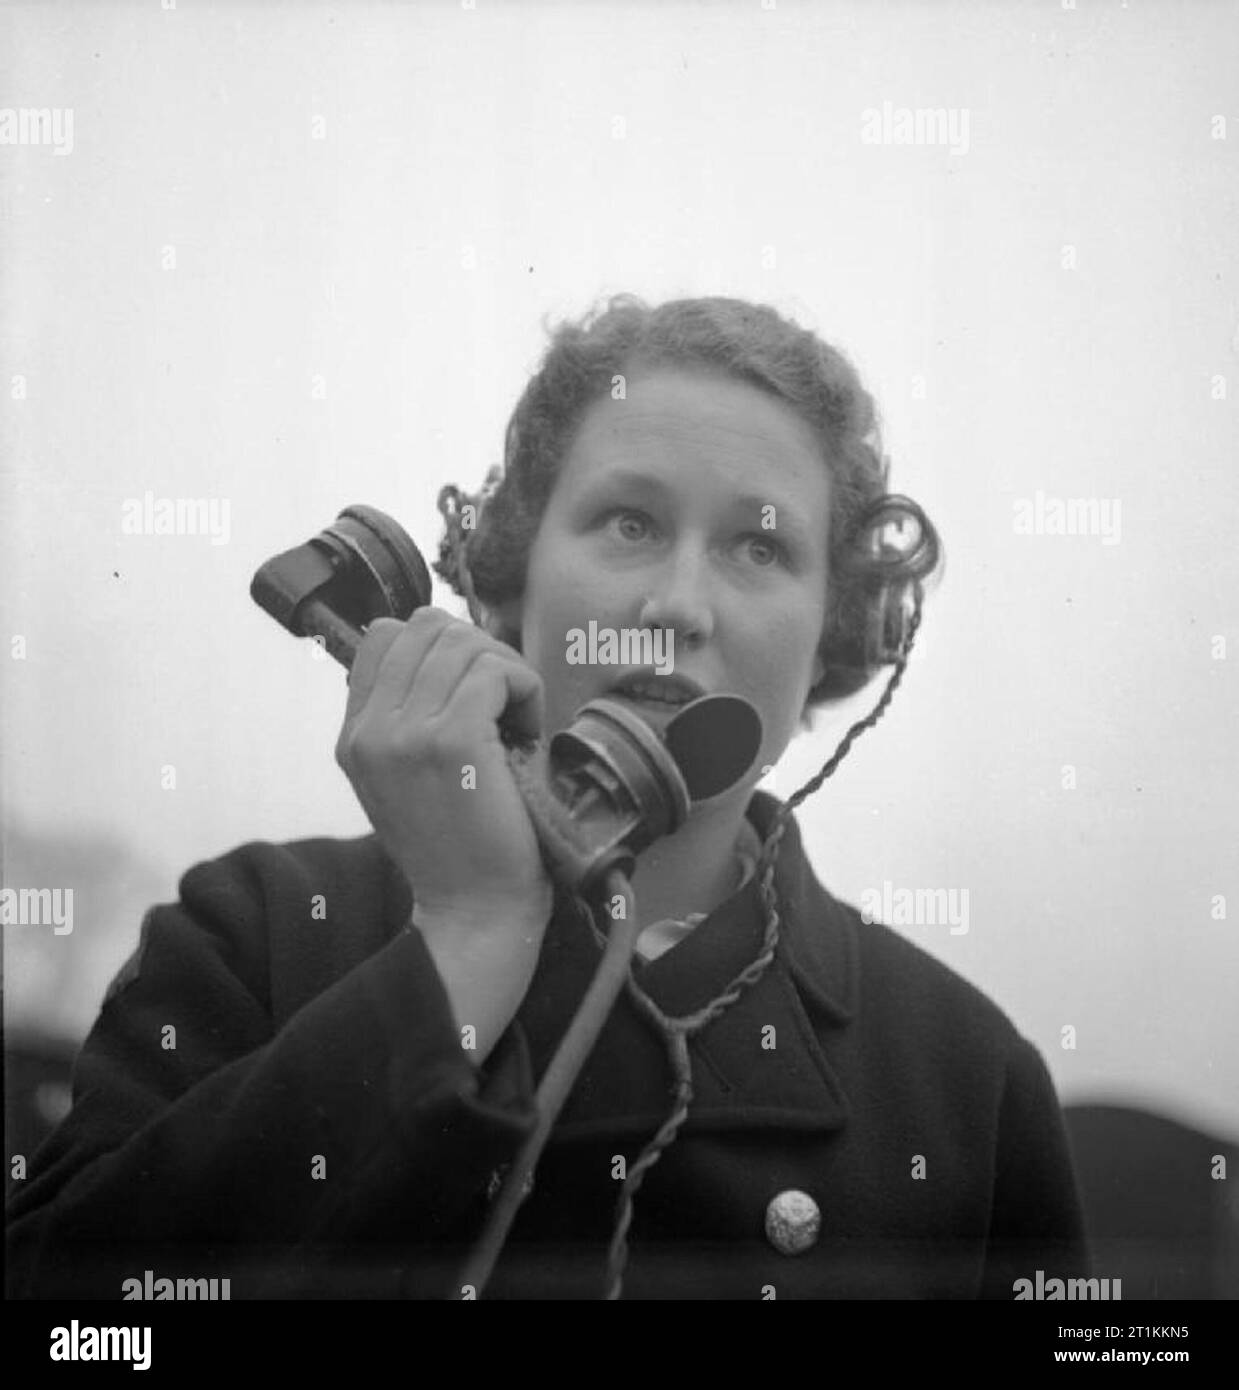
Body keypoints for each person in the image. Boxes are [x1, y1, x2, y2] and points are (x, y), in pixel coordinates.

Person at [6, 295, 1089, 1300]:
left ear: (834, 637)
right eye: (628, 523)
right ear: (510, 585)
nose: (675, 603)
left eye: (760, 545)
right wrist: (466, 938)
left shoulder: (967, 1078)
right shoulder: (256, 933)